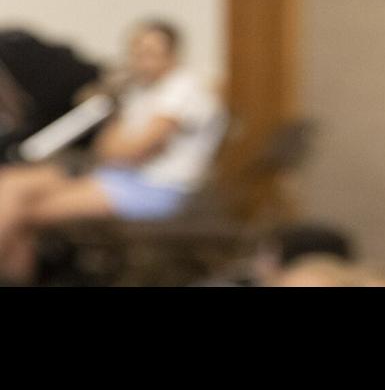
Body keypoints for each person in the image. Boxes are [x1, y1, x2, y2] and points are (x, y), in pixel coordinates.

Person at [0, 20, 226, 283]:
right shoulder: (142, 91)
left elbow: (132, 150)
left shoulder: (183, 90)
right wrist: (120, 140)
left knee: (21, 211)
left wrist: (121, 145)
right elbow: (107, 146)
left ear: (173, 53)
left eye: (152, 52)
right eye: (138, 51)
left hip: (156, 188)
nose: (143, 60)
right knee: (10, 182)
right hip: (116, 176)